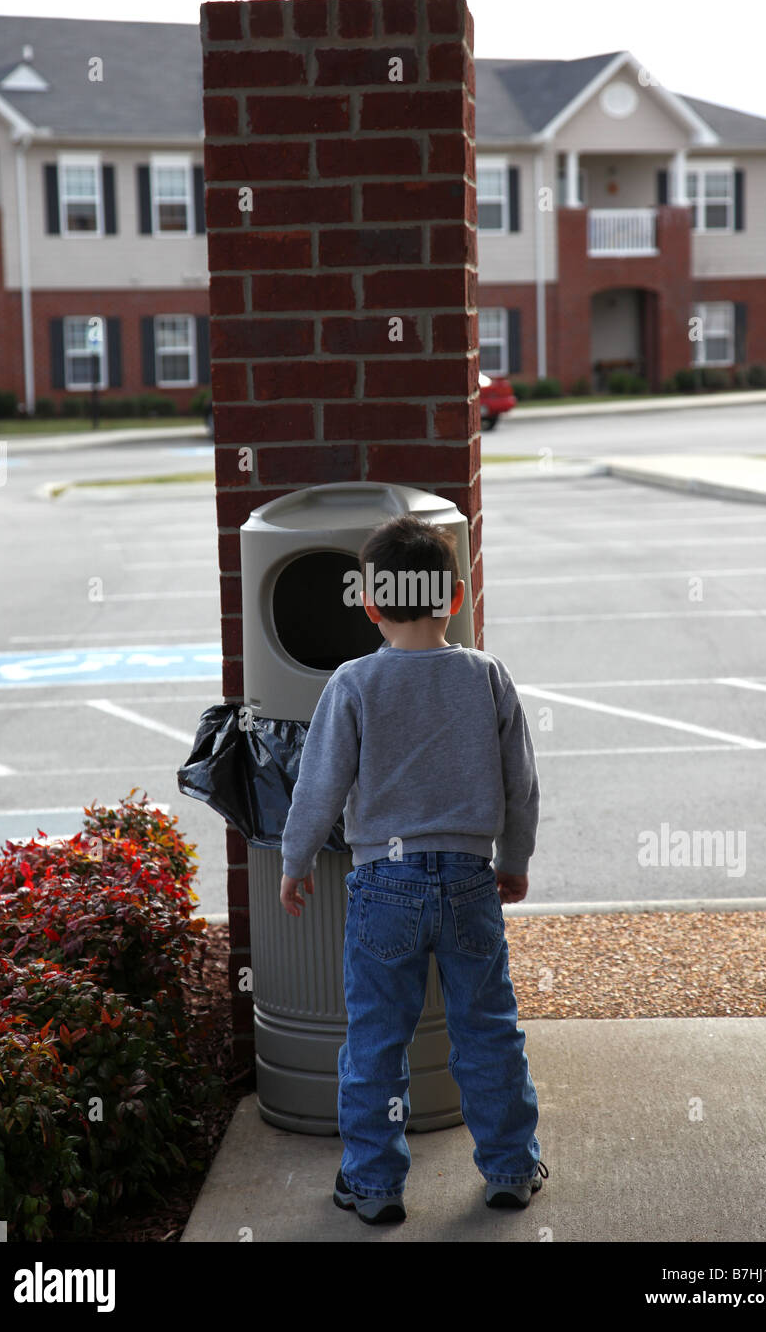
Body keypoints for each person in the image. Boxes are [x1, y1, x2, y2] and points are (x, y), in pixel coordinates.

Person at [279, 513, 548, 1225]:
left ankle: (373, 1185)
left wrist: (296, 860)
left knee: (375, 1037)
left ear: (369, 605)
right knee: (489, 1028)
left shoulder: (354, 682)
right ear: (455, 597)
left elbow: (320, 784)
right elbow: (521, 784)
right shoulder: (487, 675)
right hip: (469, 878)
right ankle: (511, 1169)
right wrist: (513, 861)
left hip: (383, 886)